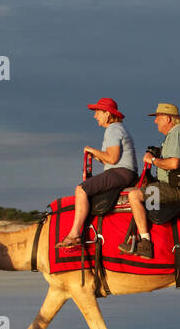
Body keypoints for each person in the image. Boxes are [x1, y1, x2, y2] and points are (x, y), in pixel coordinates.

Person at [57, 98, 139, 248]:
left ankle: (74, 234)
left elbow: (112, 159)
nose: (95, 116)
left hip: (121, 172)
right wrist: (96, 156)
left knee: (81, 190)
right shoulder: (118, 128)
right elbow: (110, 158)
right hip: (123, 171)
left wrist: (91, 149)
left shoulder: (114, 129)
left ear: (107, 114)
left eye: (97, 112)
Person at [124, 102, 180, 259]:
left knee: (134, 196)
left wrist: (153, 160)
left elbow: (173, 163)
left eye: (158, 117)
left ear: (168, 119)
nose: (155, 121)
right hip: (173, 186)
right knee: (144, 192)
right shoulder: (176, 134)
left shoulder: (177, 134)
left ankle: (145, 243)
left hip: (175, 189)